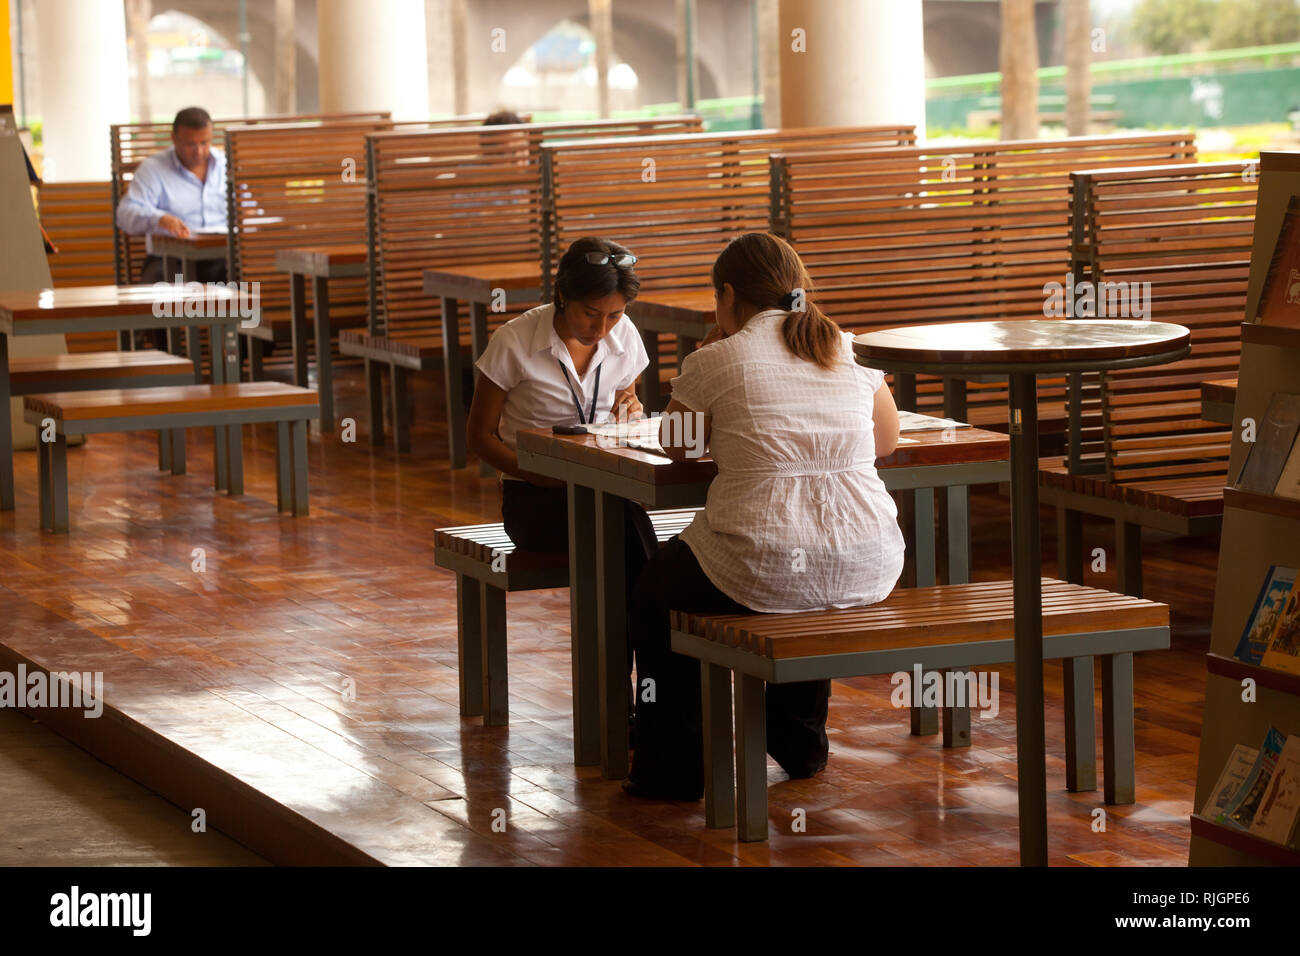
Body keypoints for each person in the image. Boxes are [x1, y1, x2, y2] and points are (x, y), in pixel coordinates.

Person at [624, 231, 905, 800]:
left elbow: (678, 446)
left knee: (656, 590)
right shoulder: (844, 346)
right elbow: (886, 440)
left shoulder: (720, 357)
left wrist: (705, 367)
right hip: (867, 557)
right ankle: (799, 740)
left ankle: (674, 768)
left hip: (762, 561)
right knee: (804, 587)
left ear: (728, 295)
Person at [467, 236, 656, 569]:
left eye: (614, 315)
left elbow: (627, 396)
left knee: (622, 525)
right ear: (563, 296)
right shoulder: (514, 341)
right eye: (590, 314)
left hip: (601, 481)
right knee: (623, 531)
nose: (601, 329)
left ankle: (629, 620)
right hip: (533, 494)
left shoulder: (624, 332)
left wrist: (629, 408)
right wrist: (534, 474)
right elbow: (479, 437)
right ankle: (643, 619)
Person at [115, 106, 228, 285]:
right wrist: (158, 218)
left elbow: (249, 209)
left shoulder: (226, 165)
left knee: (247, 281)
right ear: (174, 138)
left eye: (204, 143)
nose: (198, 151)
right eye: (190, 144)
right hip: (170, 260)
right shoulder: (153, 169)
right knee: (163, 289)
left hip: (223, 259)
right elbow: (125, 214)